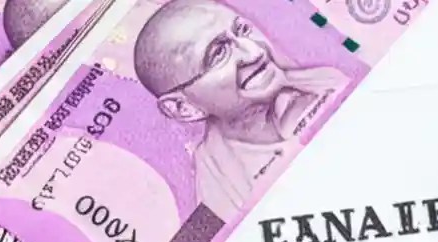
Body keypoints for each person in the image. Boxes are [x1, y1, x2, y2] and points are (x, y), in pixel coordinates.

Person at [134, 0, 350, 220]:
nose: (255, 52)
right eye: (219, 54)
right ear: (184, 108)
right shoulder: (220, 187)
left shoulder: (325, 80)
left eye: (243, 30)